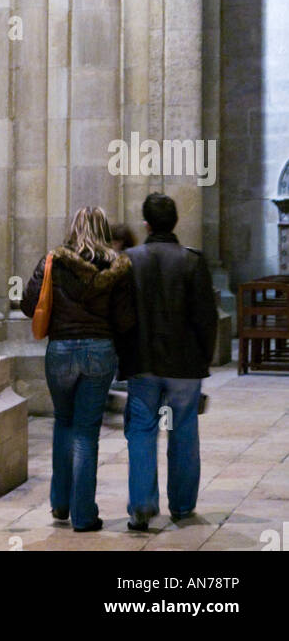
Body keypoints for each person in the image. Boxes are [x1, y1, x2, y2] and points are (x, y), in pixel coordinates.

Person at [21, 207, 136, 532]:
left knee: (64, 422)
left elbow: (29, 304)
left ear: (73, 228)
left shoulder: (52, 261)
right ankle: (84, 515)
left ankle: (60, 503)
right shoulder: (117, 266)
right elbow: (126, 319)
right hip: (99, 351)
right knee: (86, 432)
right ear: (103, 231)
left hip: (60, 351)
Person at [119, 192, 218, 530]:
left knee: (142, 431)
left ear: (145, 223)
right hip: (185, 364)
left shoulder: (129, 260)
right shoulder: (193, 260)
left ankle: (143, 505)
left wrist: (123, 355)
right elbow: (206, 316)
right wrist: (204, 357)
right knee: (183, 431)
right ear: (174, 222)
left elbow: (122, 315)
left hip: (143, 361)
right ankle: (182, 506)